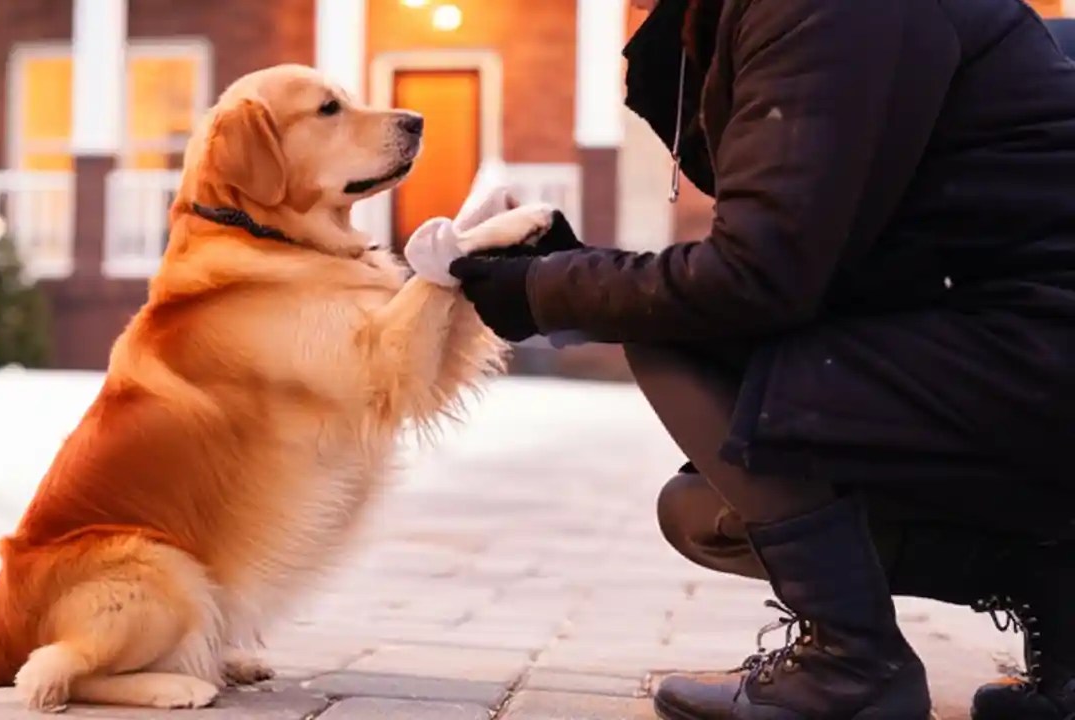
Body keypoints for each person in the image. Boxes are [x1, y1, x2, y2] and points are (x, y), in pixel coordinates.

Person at [442, 0, 1075, 718]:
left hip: (1033, 356)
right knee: (704, 511)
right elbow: (816, 253)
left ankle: (853, 663)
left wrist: (549, 287)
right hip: (1007, 345)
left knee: (667, 332)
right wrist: (564, 273)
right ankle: (1052, 580)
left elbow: (756, 278)